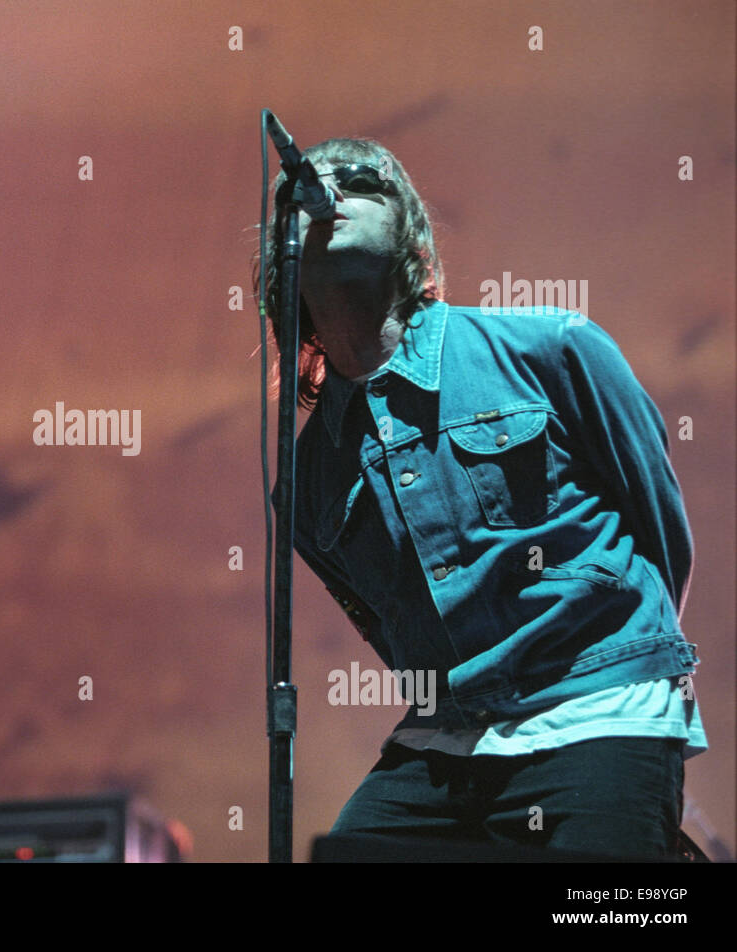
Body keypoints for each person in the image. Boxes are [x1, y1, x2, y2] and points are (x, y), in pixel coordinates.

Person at [257, 138, 706, 859]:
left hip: (598, 709)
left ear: (410, 232)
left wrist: (629, 656)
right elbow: (386, 625)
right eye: (305, 188)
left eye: (362, 180)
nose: (328, 189)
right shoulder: (306, 479)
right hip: (449, 737)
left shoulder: (554, 348)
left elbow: (660, 532)